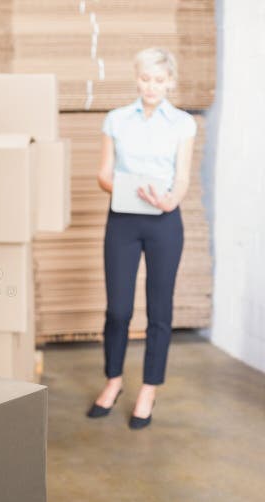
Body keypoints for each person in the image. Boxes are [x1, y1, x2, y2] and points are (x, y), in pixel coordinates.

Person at [87, 48, 196, 429]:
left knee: (159, 311)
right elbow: (103, 173)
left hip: (165, 220)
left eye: (160, 80)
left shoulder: (183, 124)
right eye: (146, 79)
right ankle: (113, 379)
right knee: (118, 309)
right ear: (137, 79)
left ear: (170, 82)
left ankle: (149, 388)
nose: (152, 87)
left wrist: (169, 199)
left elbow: (182, 176)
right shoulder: (115, 120)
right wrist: (125, 188)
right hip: (123, 219)